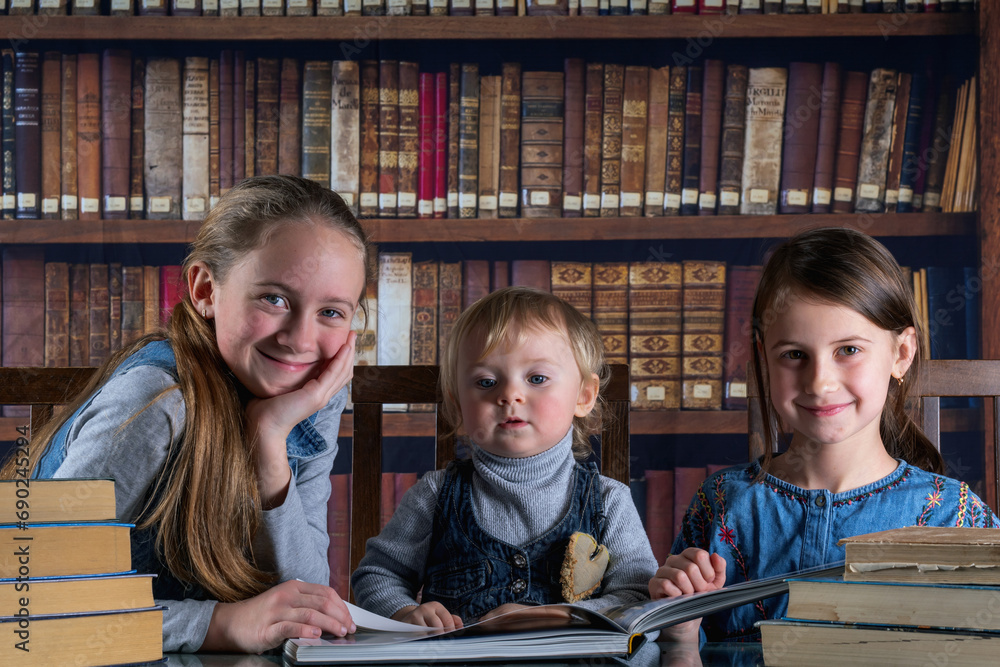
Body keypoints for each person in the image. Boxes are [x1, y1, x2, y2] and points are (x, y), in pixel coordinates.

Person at [2, 175, 367, 652]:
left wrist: (269, 440)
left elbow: (306, 591)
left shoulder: (312, 394)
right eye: (273, 298)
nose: (300, 339)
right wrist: (220, 625)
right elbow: (25, 602)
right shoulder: (157, 402)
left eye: (331, 312)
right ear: (205, 290)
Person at [649, 227, 999, 643]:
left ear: (901, 354)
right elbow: (680, 649)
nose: (819, 382)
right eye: (794, 355)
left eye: (848, 350)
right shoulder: (721, 504)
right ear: (764, 359)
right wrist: (680, 639)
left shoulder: (954, 517)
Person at [351, 286, 657, 628]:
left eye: (537, 378)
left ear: (583, 396)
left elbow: (637, 597)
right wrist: (405, 613)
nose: (510, 394)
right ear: (458, 408)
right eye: (486, 382)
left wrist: (560, 616)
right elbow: (377, 576)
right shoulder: (435, 495)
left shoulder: (609, 500)